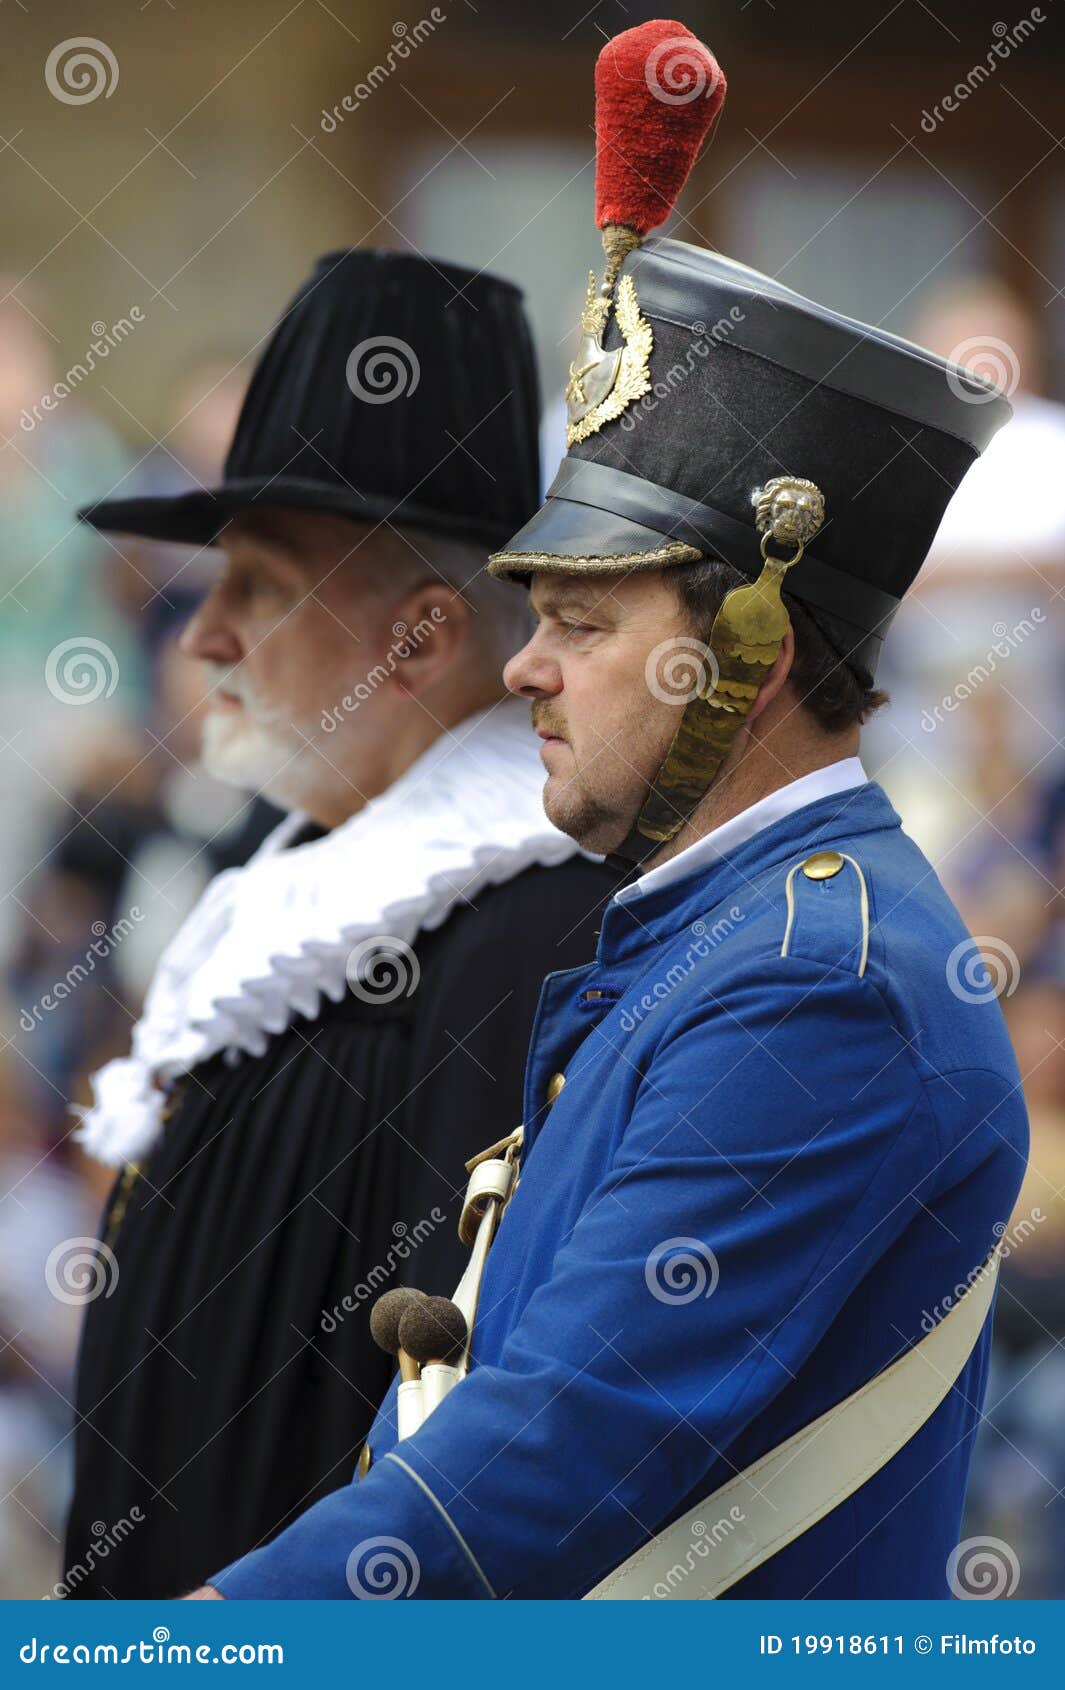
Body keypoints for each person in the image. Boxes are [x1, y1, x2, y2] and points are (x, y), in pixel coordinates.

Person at [191, 22, 1030, 1602]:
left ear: (749, 646)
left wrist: (195, 1643)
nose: (521, 667)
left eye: (579, 621)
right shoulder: (726, 926)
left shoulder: (818, 978)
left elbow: (545, 1468)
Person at [63, 248, 616, 1598]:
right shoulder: (299, 870)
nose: (203, 639)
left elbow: (467, 1425)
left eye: (256, 583)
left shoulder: (519, 930)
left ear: (420, 638)